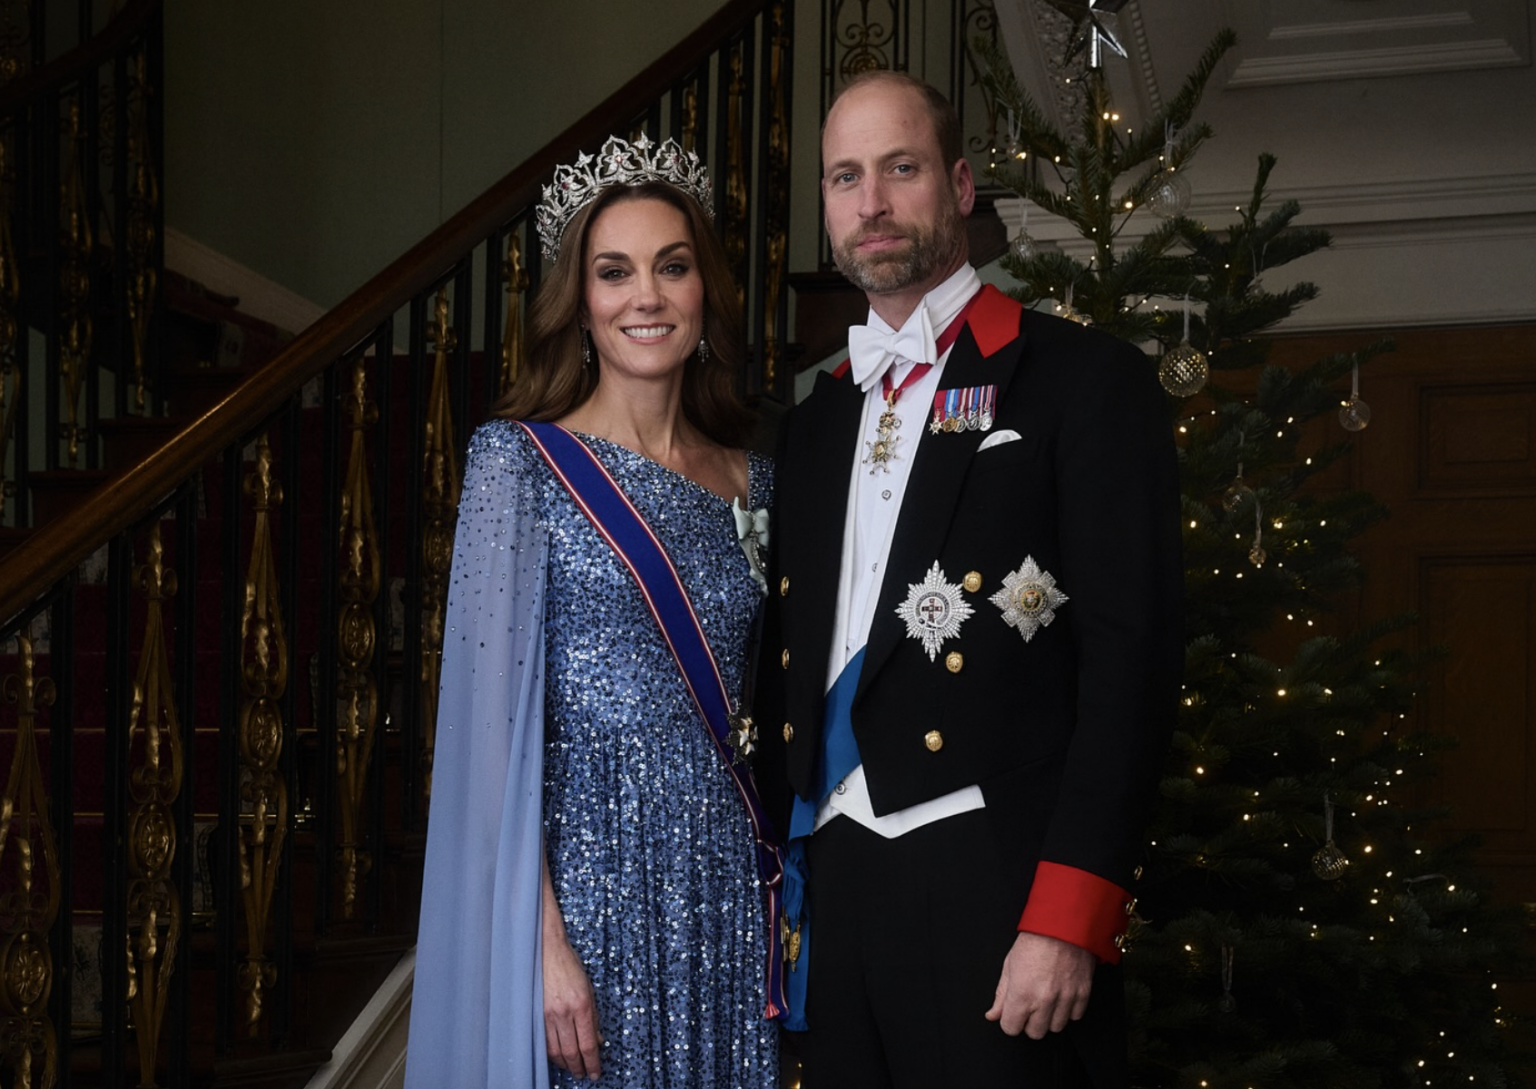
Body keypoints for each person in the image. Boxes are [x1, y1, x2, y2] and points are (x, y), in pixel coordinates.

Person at [756, 71, 1183, 1087]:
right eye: (845, 177)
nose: (872, 202)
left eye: (899, 169)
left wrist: (1068, 916)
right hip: (840, 882)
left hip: (996, 884)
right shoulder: (811, 429)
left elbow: (1132, 663)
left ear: (957, 184)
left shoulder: (1081, 382)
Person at [404, 135, 782, 1089]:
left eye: (672, 266)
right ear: (580, 303)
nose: (645, 296)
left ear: (705, 293)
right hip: (587, 894)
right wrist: (540, 948)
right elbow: (488, 744)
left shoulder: (763, 482)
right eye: (614, 272)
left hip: (727, 892)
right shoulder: (519, 466)